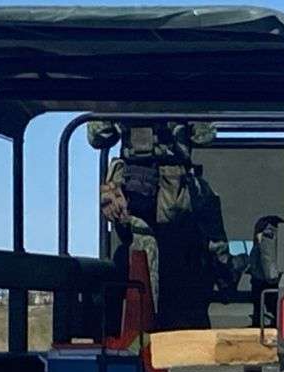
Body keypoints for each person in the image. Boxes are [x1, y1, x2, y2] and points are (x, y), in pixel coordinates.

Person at [90, 120, 237, 330]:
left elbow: (204, 134)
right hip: (138, 196)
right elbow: (97, 136)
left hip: (174, 199)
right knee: (142, 258)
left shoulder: (195, 197)